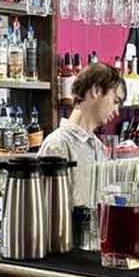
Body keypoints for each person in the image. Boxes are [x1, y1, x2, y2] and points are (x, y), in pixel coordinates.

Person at [39, 62, 125, 207]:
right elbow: (46, 209)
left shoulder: (99, 148)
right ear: (96, 90)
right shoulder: (57, 145)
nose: (117, 111)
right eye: (115, 101)